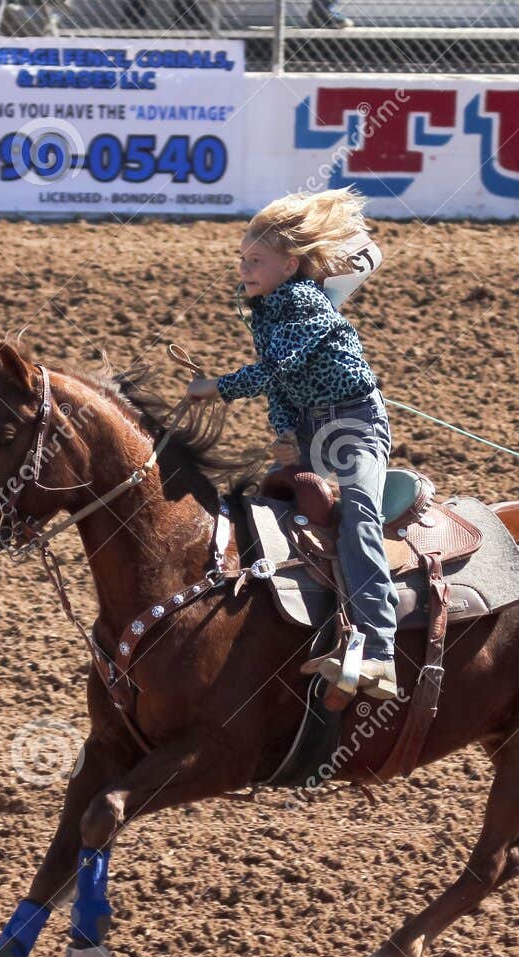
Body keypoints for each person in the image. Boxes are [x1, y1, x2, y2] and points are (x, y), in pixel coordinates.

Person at [186, 188, 400, 700]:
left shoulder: (303, 301)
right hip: (310, 429)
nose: (243, 269)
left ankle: (380, 651)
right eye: (241, 259)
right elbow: (285, 383)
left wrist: (216, 387)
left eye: (255, 260)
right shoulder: (264, 311)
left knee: (358, 516)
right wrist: (284, 431)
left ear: (291, 265)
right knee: (281, 511)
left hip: (354, 425)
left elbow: (280, 366)